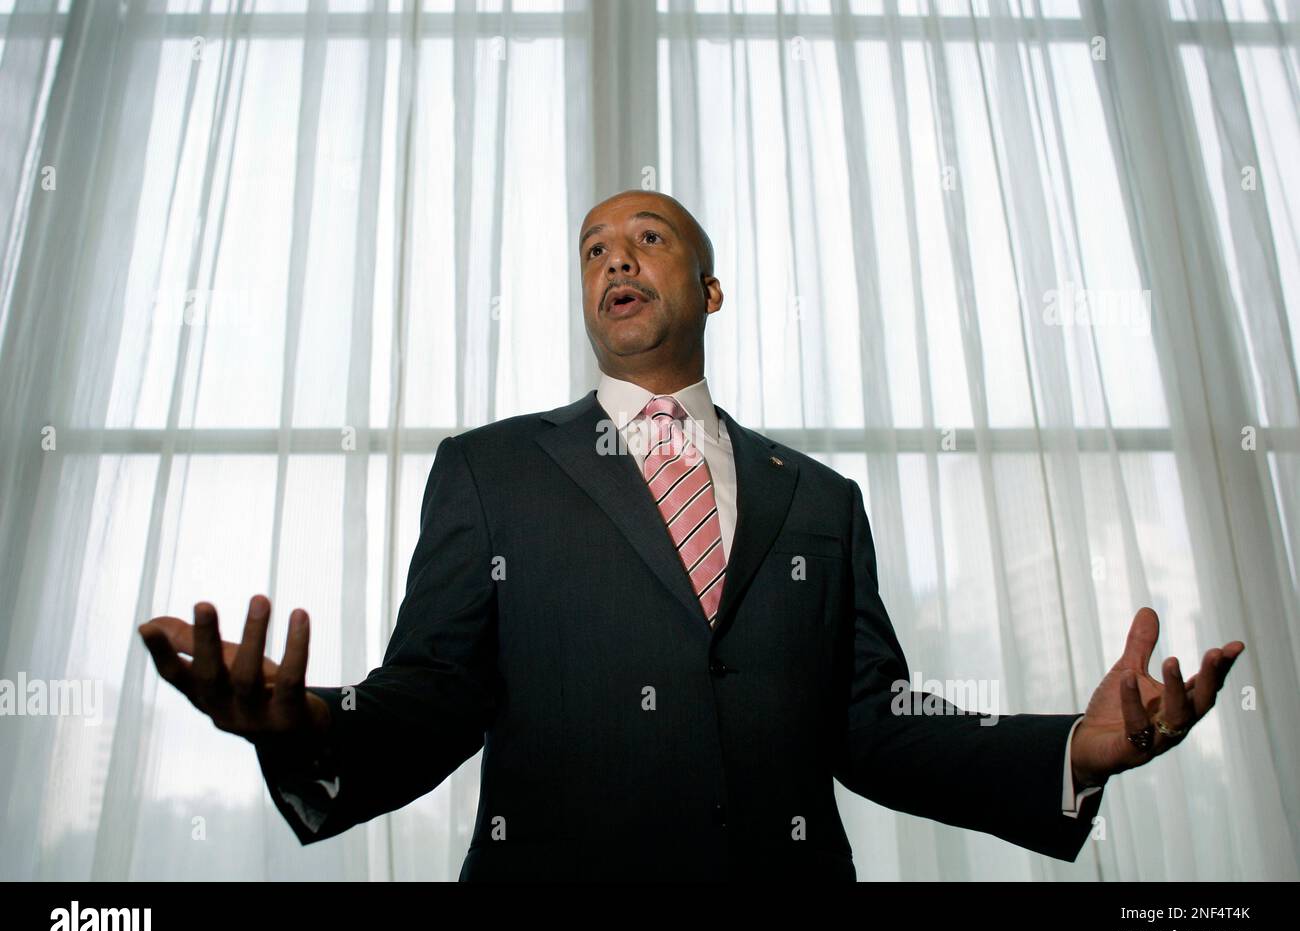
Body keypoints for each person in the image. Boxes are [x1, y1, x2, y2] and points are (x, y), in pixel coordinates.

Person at [138, 189, 1245, 881]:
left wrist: (1070, 748)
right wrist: (308, 723)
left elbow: (872, 725)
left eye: (648, 237)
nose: (615, 259)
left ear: (709, 287)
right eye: (592, 249)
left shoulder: (817, 497)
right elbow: (434, 695)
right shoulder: (490, 469)